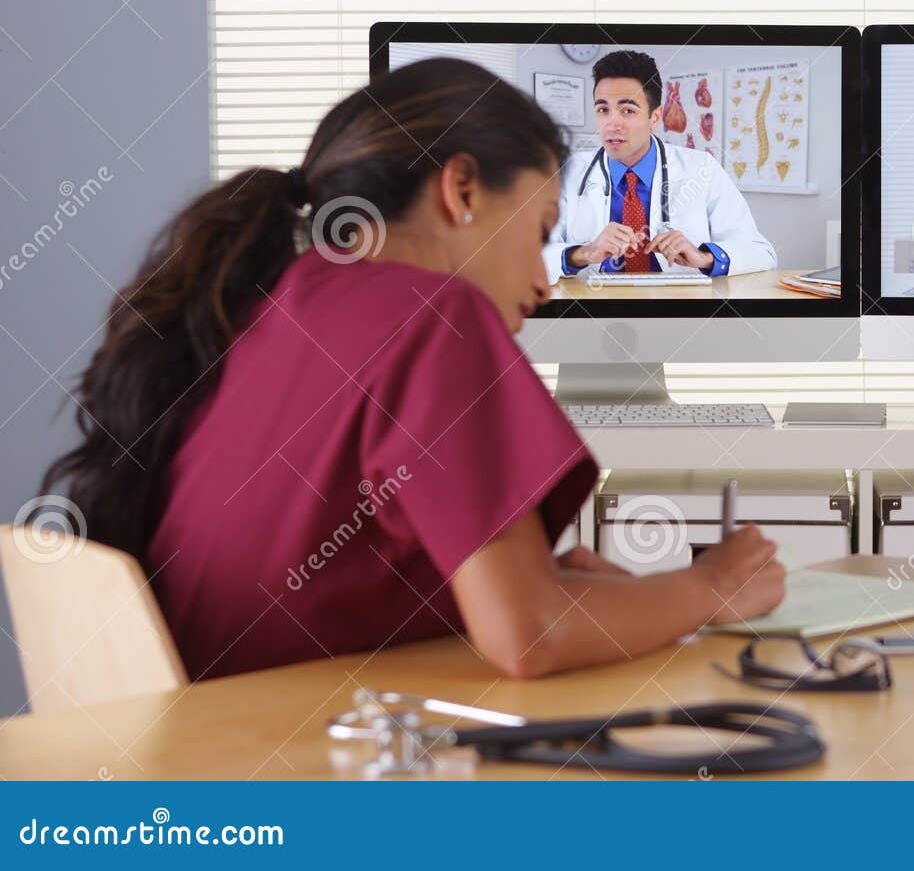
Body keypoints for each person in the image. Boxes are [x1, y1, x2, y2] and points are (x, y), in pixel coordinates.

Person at [40, 58, 785, 681]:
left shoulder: (279, 296)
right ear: (460, 191)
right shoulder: (434, 316)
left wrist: (560, 585)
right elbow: (530, 633)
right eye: (539, 232)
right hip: (281, 759)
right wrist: (707, 585)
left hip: (202, 749)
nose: (544, 278)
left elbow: (338, 569)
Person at [543, 50, 776, 279]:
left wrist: (704, 257)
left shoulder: (702, 169)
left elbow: (761, 253)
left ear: (654, 118)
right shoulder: (570, 171)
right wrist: (583, 253)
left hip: (676, 312)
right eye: (603, 109)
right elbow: (530, 255)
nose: (612, 124)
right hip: (590, 311)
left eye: (627, 111)